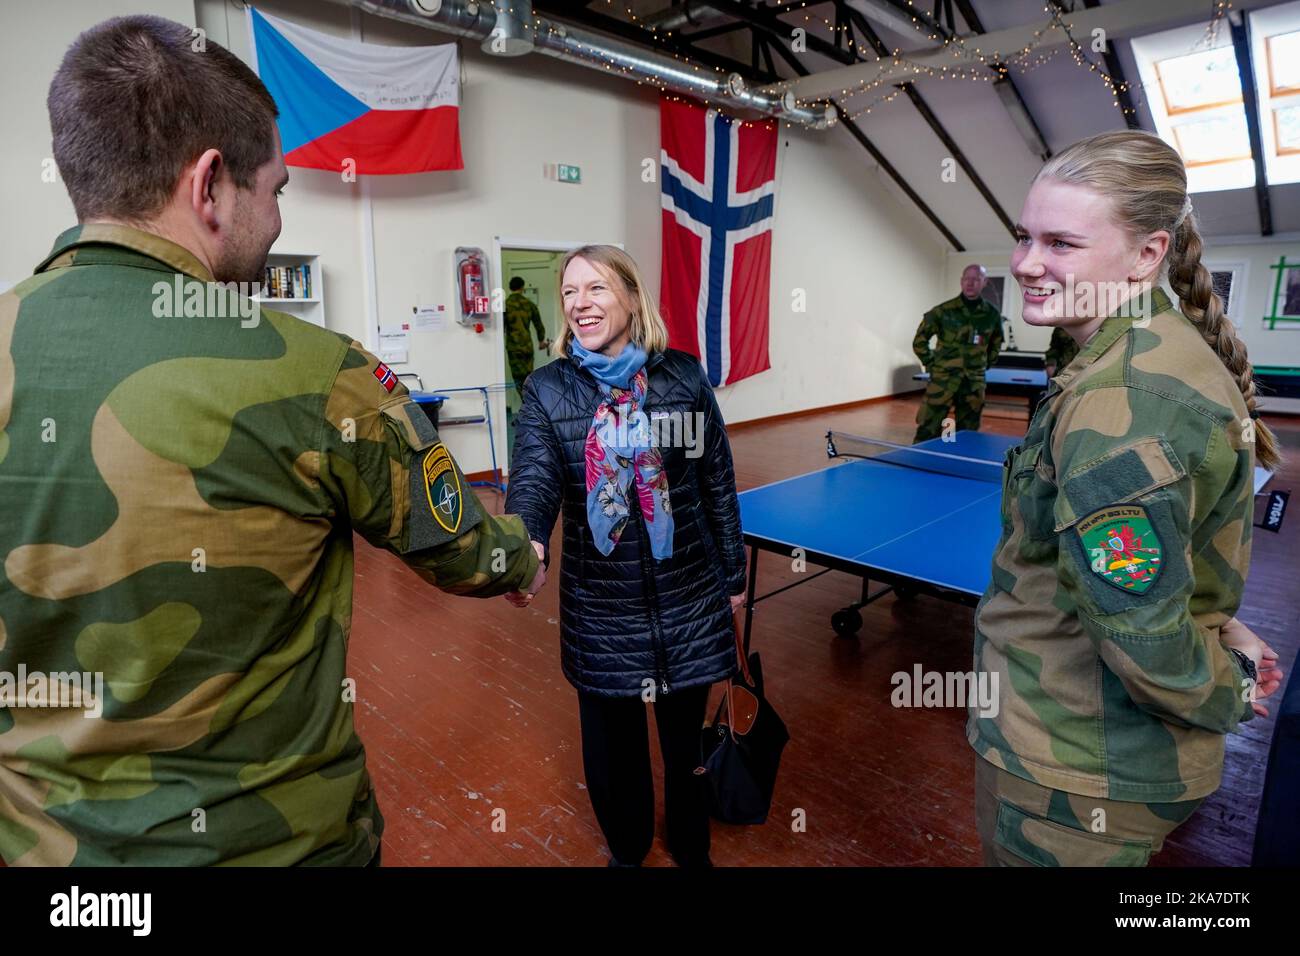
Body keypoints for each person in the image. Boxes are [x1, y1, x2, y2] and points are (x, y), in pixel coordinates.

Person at [0, 15, 543, 867]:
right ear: (209, 185)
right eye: (278, 189)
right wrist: (526, 557)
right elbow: (466, 551)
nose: (279, 217)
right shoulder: (316, 374)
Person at [970, 130, 1285, 867]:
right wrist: (1223, 623)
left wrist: (1227, 693)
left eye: (1061, 243)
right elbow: (1158, 557)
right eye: (1023, 236)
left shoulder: (1123, 401)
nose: (1026, 263)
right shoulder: (1136, 347)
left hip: (1074, 766)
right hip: (1086, 750)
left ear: (1147, 254)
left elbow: (1138, 627)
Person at [504, 245, 746, 867]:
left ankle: (693, 848)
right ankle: (629, 849)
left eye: (597, 289)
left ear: (633, 297)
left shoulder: (683, 377)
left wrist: (734, 572)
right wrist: (528, 543)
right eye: (570, 294)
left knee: (684, 744)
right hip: (601, 605)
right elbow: (533, 482)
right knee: (613, 752)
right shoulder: (548, 390)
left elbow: (715, 478)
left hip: (688, 591)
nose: (580, 304)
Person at [912, 264, 1004, 442]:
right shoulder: (943, 311)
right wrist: (932, 364)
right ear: (961, 282)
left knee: (968, 432)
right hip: (942, 380)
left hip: (973, 383)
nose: (970, 283)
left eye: (976, 279)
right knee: (928, 427)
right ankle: (919, 463)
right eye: (966, 279)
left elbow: (996, 344)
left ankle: (963, 466)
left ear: (984, 282)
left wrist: (982, 366)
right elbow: (920, 340)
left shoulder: (991, 314)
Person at [503, 276, 549, 408]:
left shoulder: (506, 304)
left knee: (518, 380)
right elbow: (539, 325)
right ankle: (532, 408)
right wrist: (541, 341)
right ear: (522, 288)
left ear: (510, 287)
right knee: (529, 378)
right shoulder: (529, 304)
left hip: (513, 347)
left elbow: (501, 326)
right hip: (527, 346)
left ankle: (528, 409)